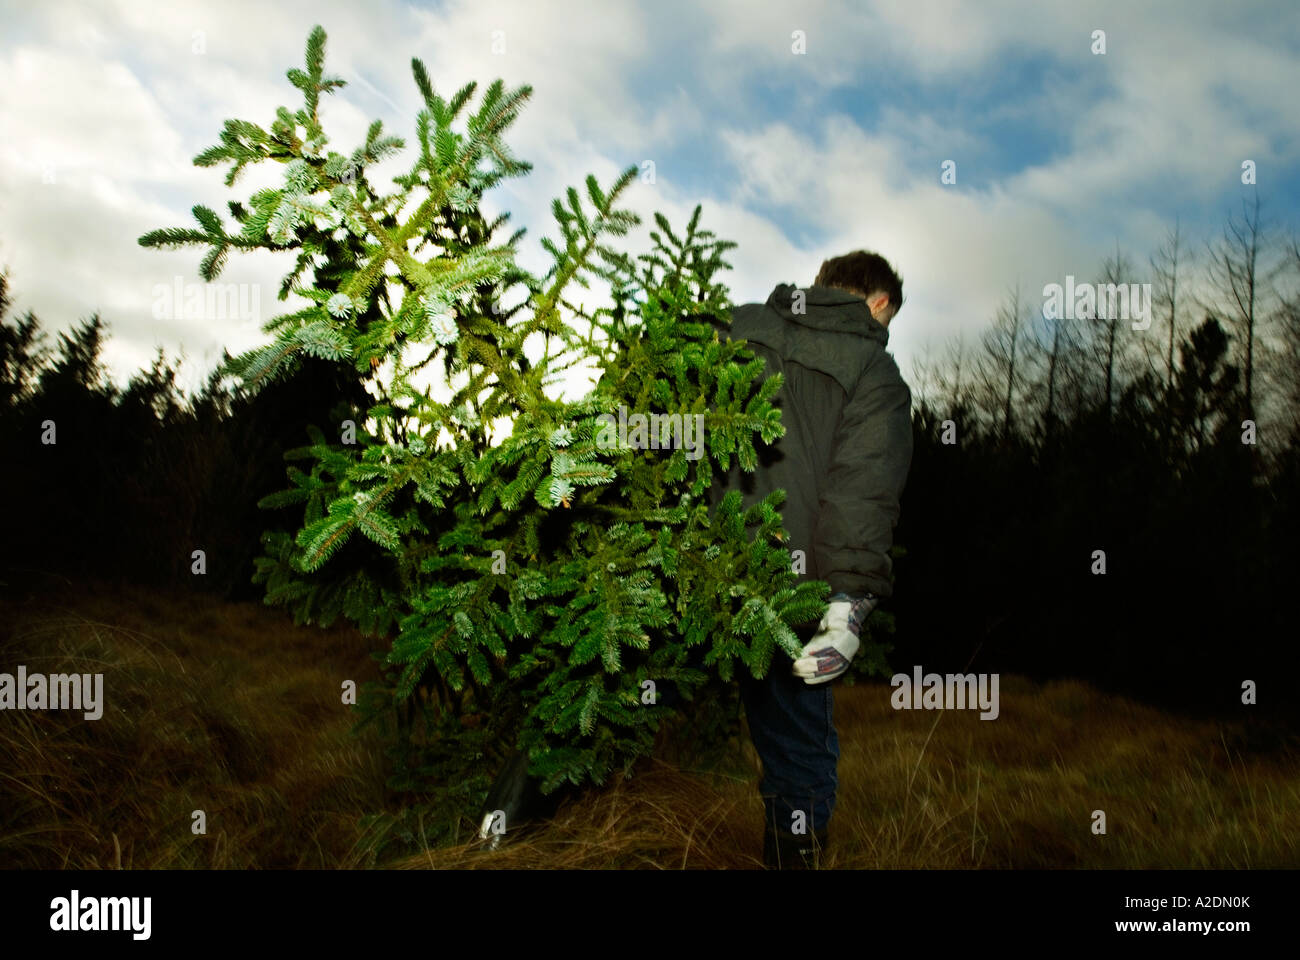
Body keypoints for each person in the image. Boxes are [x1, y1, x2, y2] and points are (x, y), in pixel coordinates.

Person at [708, 250, 914, 869]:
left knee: (575, 716)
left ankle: (498, 840)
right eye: (890, 320)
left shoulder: (728, 325)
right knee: (799, 767)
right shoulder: (873, 370)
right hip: (787, 601)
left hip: (684, 580)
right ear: (877, 305)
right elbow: (863, 492)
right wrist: (847, 608)